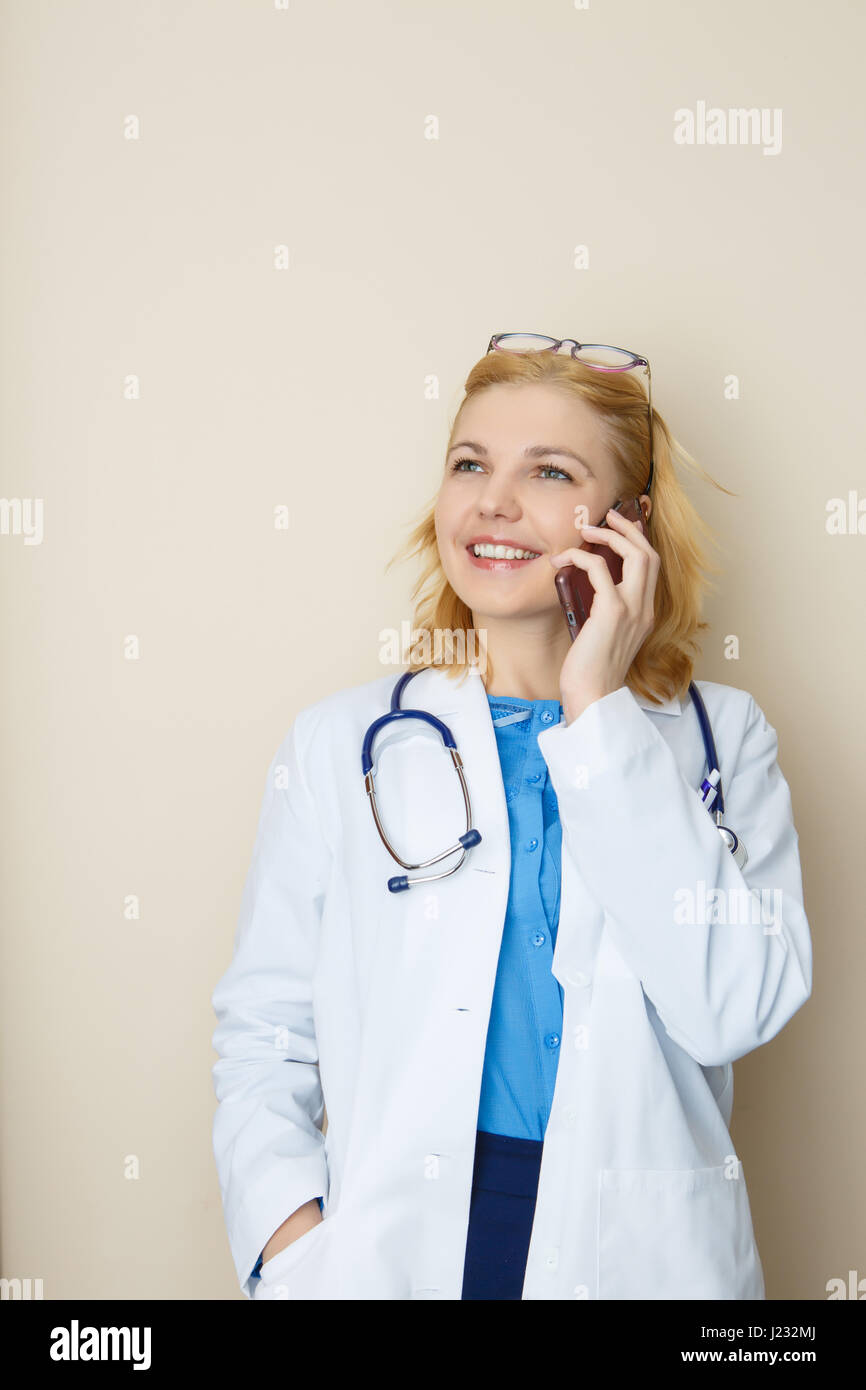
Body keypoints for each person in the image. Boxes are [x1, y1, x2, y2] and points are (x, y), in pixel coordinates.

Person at [210, 337, 812, 1300]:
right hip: (399, 1251)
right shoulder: (343, 742)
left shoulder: (721, 741)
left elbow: (729, 1012)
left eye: (551, 472)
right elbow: (264, 1034)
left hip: (639, 1257)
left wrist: (599, 711)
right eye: (470, 465)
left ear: (628, 523)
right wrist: (292, 1256)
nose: (494, 501)